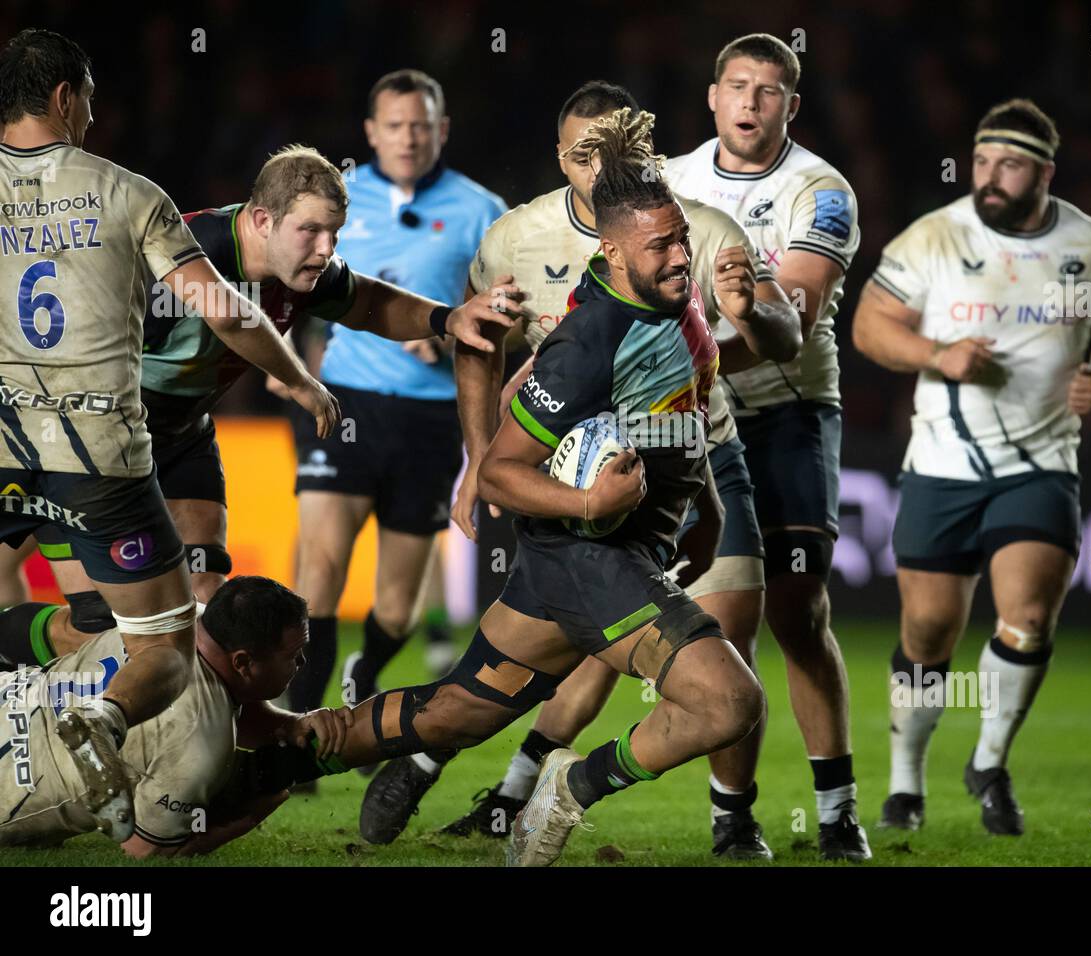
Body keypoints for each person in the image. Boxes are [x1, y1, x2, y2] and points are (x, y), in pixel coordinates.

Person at [258, 111, 765, 868]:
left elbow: (684, 409)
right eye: (660, 246)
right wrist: (592, 503)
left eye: (681, 240)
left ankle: (278, 751)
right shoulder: (587, 346)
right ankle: (572, 785)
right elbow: (501, 471)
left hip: (604, 557)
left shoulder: (676, 298)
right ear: (612, 251)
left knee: (457, 711)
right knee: (732, 701)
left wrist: (706, 509)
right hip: (591, 557)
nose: (679, 256)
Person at [0, 29, 339, 840]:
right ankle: (106, 723)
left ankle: (38, 693)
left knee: (83, 616)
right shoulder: (127, 193)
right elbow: (224, 308)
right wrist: (292, 376)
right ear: (64, 99)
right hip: (98, 457)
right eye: (88, 99)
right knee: (162, 643)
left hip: (4, 443)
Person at [26, 144, 519, 623]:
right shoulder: (197, 248)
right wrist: (300, 380)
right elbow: (230, 317)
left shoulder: (301, 265)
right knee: (98, 618)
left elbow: (368, 303)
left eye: (335, 233)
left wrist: (446, 319)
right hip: (90, 429)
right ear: (262, 220)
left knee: (202, 592)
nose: (326, 249)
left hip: (181, 430)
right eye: (311, 230)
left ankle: (206, 708)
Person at [852, 98, 1091, 835]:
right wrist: (935, 355)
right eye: (982, 162)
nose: (990, 177)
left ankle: (988, 761)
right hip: (942, 464)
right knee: (927, 633)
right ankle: (906, 785)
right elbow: (868, 326)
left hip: (1040, 463)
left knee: (1031, 617)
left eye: (1008, 164)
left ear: (1044, 171)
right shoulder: (934, 236)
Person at [664, 33, 868, 859]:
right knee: (724, 621)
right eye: (737, 86)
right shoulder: (666, 182)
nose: (751, 102)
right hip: (695, 421)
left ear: (791, 105)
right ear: (712, 97)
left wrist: (686, 362)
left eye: (770, 89)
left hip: (787, 415)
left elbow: (797, 322)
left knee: (800, 611)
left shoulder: (820, 191)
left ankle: (837, 810)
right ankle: (733, 817)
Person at [286, 70, 509, 723]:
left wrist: (449, 339)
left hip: (430, 416)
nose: (408, 138)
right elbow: (293, 282)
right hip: (346, 401)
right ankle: (298, 731)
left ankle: (368, 668)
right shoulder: (338, 199)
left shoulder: (483, 210)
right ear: (370, 133)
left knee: (397, 603)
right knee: (321, 566)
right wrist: (289, 355)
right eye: (394, 125)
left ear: (441, 129)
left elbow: (510, 319)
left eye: (420, 125)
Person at [0, 575, 351, 855]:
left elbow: (224, 694)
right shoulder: (199, 741)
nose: (301, 664)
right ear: (243, 662)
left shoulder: (177, 616)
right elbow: (141, 849)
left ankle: (101, 721)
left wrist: (288, 724)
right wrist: (250, 811)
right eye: (294, 654)